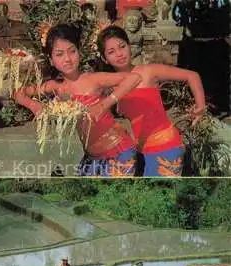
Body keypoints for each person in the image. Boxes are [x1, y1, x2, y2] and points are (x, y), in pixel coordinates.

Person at [13, 24, 142, 176]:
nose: (67, 59)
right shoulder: (56, 87)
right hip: (91, 157)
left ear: (79, 52)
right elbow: (17, 93)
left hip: (119, 152)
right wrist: (34, 105)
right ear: (51, 59)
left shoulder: (94, 79)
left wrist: (104, 104)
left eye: (72, 51)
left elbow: (135, 78)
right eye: (59, 54)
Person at [97, 25, 206, 176]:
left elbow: (192, 76)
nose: (119, 54)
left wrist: (200, 106)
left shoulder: (148, 72)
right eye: (111, 52)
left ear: (129, 46)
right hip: (138, 151)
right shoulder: (109, 85)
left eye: (122, 46)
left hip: (165, 147)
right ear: (104, 58)